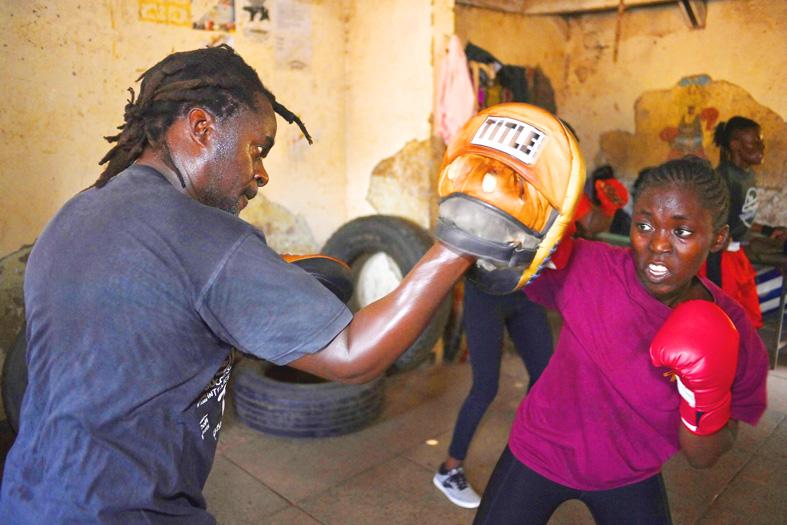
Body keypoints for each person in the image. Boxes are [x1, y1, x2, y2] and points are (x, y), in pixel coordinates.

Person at [0, 45, 475, 524]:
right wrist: (460, 243)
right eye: (257, 149)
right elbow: (354, 356)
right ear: (202, 127)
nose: (261, 174)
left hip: (26, 496)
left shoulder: (77, 211)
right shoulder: (205, 237)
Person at [468, 156, 769, 524]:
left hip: (631, 471)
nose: (658, 244)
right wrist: (496, 214)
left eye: (682, 232)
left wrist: (702, 399)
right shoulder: (591, 265)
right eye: (644, 225)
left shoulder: (732, 330)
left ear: (718, 238)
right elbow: (504, 268)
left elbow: (703, 456)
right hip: (540, 448)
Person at [433, 279, 554, 508]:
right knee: (485, 388)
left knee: (545, 378)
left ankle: (525, 460)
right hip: (485, 294)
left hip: (526, 291)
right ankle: (449, 471)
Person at [702, 116, 786, 328]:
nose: (761, 147)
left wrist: (767, 230)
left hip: (736, 254)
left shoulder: (746, 175)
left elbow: (740, 218)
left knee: (747, 318)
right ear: (736, 145)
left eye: (761, 142)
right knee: (725, 318)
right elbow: (711, 223)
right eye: (755, 142)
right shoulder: (723, 177)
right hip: (719, 259)